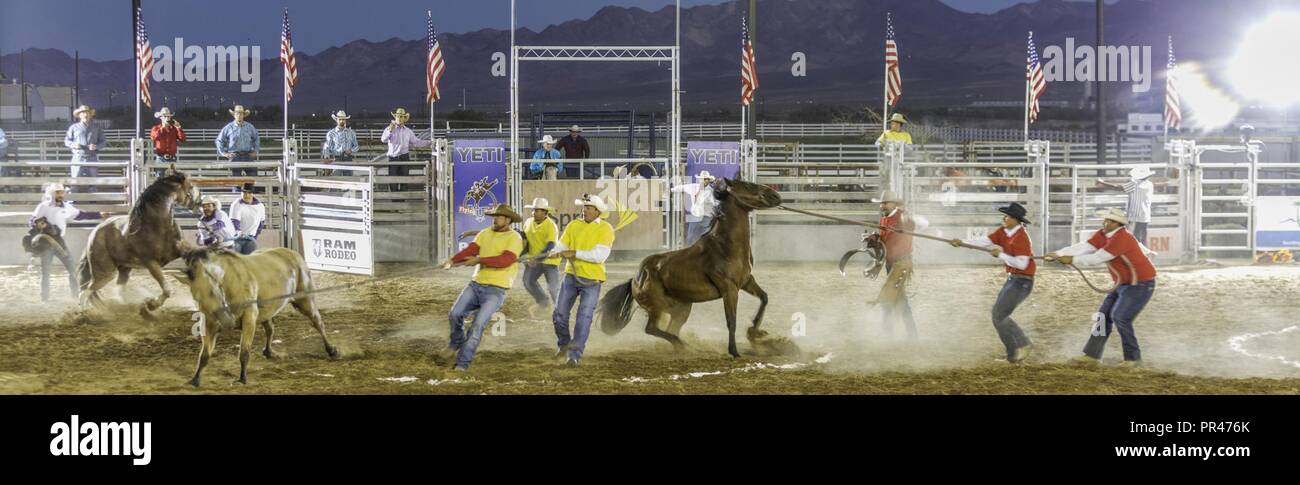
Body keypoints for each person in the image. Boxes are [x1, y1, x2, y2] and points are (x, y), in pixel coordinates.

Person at [1046, 207, 1157, 368]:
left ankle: (1133, 358)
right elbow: (1085, 246)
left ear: (1118, 223)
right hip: (1125, 283)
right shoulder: (1104, 234)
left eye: (1110, 220)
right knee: (1102, 316)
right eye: (1106, 219)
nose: (1105, 222)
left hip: (1140, 283)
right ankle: (1092, 355)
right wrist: (1058, 253)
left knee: (1120, 317)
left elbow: (1098, 257)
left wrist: (1071, 260)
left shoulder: (1122, 238)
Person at [437, 204, 525, 371]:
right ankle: (456, 342)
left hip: (497, 289)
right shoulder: (485, 234)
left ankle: (462, 364)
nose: (495, 219)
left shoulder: (515, 238)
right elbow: (471, 250)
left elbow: (504, 261)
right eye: (494, 216)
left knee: (477, 326)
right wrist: (452, 260)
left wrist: (479, 260)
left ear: (508, 220)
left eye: (498, 216)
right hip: (477, 283)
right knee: (455, 314)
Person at [950, 202, 1036, 363]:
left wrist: (1001, 255)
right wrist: (961, 242)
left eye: (1008, 216)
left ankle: (1022, 345)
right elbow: (984, 241)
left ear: (1016, 220)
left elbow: (1022, 264)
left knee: (999, 315)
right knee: (999, 315)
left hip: (1023, 281)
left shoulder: (1022, 238)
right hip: (1014, 279)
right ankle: (1015, 352)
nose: (1004, 218)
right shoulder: (1004, 232)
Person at [549, 194, 616, 366]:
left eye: (587, 208)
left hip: (592, 280)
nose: (584, 210)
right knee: (559, 315)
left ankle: (574, 354)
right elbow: (563, 245)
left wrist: (573, 253)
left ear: (597, 211)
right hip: (571, 275)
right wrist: (554, 252)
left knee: (584, 317)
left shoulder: (606, 229)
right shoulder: (573, 225)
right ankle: (564, 345)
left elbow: (599, 256)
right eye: (583, 207)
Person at [863, 190, 927, 340]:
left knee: (891, 296)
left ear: (894, 204)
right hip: (891, 263)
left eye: (885, 203)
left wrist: (908, 222)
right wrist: (873, 238)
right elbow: (883, 239)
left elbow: (922, 223)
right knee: (898, 298)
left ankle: (892, 333)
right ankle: (909, 335)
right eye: (881, 203)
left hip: (902, 264)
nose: (882, 206)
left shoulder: (904, 217)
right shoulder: (884, 219)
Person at [29, 183, 105, 301]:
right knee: (46, 271)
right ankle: (45, 299)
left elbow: (81, 215)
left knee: (72, 269)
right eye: (58, 192)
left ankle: (74, 295)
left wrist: (99, 214)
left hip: (60, 241)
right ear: (52, 194)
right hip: (45, 241)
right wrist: (37, 224)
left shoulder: (67, 207)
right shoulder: (43, 206)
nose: (61, 194)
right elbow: (32, 220)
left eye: (62, 192)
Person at [520, 198, 562, 317]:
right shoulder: (528, 222)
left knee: (553, 288)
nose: (534, 213)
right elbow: (525, 242)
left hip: (549, 261)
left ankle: (561, 310)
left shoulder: (551, 226)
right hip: (533, 259)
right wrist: (524, 256)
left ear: (545, 213)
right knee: (528, 282)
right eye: (534, 210)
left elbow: (550, 246)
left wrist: (536, 259)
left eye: (537, 210)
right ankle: (543, 302)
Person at [1097, 166, 1154, 246]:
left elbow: (1117, 187)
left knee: (1134, 238)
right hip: (1145, 216)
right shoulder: (1150, 184)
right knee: (1142, 238)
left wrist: (1102, 182)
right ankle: (1144, 254)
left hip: (1135, 216)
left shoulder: (1134, 184)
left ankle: (1137, 254)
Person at [380, 108, 431, 192]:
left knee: (405, 180)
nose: (399, 118)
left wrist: (430, 142)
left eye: (401, 117)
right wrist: (390, 131)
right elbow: (383, 140)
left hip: (404, 157)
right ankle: (395, 201)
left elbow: (416, 142)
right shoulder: (389, 129)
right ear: (395, 118)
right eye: (398, 116)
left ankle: (402, 201)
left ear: (404, 119)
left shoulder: (408, 131)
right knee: (393, 181)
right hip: (393, 158)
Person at [670, 170, 718, 245]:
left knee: (706, 239)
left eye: (706, 179)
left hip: (706, 217)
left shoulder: (711, 192)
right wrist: (671, 190)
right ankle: (691, 252)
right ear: (700, 180)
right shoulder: (693, 187)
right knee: (690, 238)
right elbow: (682, 187)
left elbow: (716, 203)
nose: (705, 181)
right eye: (703, 179)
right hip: (695, 216)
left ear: (709, 181)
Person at [215, 105, 260, 182]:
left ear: (243, 115)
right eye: (237, 114)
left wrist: (255, 150)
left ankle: (249, 192)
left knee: (252, 177)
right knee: (236, 180)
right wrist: (224, 153)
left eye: (241, 114)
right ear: (234, 115)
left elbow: (256, 138)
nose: (239, 115)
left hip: (247, 155)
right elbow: (219, 140)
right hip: (235, 156)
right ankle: (237, 193)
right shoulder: (229, 127)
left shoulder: (249, 127)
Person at [65, 105, 107, 181]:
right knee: (75, 182)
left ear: (90, 115)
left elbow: (103, 142)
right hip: (78, 157)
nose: (85, 115)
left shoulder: (96, 127)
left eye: (87, 113)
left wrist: (96, 146)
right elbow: (67, 141)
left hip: (92, 157)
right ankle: (74, 192)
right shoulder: (73, 127)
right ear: (79, 115)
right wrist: (74, 145)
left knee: (93, 182)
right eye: (83, 113)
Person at [228, 183, 266, 255]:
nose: (246, 195)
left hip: (250, 238)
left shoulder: (260, 206)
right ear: (241, 193)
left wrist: (255, 236)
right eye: (244, 192)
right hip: (237, 239)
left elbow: (261, 223)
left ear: (252, 194)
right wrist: (238, 232)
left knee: (251, 259)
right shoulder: (236, 204)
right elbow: (234, 221)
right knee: (234, 258)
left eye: (249, 193)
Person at [149, 107, 187, 175]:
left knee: (172, 180)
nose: (167, 118)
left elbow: (183, 139)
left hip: (172, 158)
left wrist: (179, 128)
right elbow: (154, 137)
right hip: (160, 158)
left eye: (168, 116)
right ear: (161, 117)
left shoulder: (174, 129)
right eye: (165, 116)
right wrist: (162, 127)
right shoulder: (155, 128)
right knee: (160, 179)